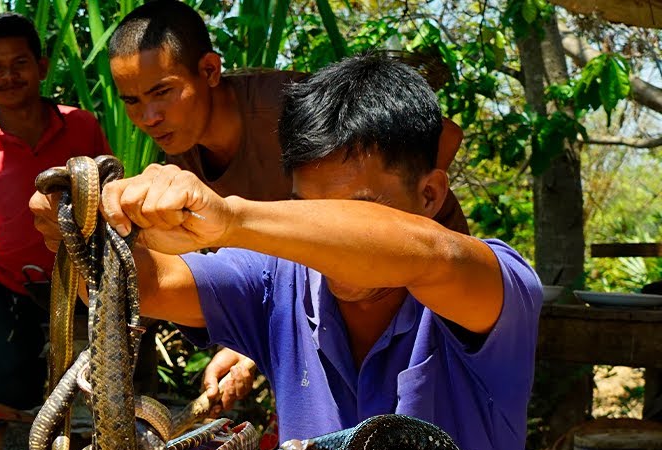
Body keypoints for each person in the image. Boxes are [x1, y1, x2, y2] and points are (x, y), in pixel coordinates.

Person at [31, 53, 542, 450]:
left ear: (430, 195)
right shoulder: (278, 281)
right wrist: (79, 222)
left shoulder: (494, 286)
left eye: (355, 211)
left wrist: (231, 218)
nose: (328, 240)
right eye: (307, 209)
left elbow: (432, 255)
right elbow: (147, 283)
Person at [104, 0, 472, 415]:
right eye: (132, 101)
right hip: (333, 305)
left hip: (423, 304)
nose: (149, 117)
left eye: (162, 92)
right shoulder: (180, 160)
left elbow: (445, 134)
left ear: (209, 70)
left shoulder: (284, 107)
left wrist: (400, 213)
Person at [0, 13, 112, 423]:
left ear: (42, 67)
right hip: (7, 294)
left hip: (83, 289)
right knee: (10, 419)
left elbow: (109, 206)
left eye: (19, 63)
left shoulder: (82, 128)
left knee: (94, 410)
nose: (8, 76)